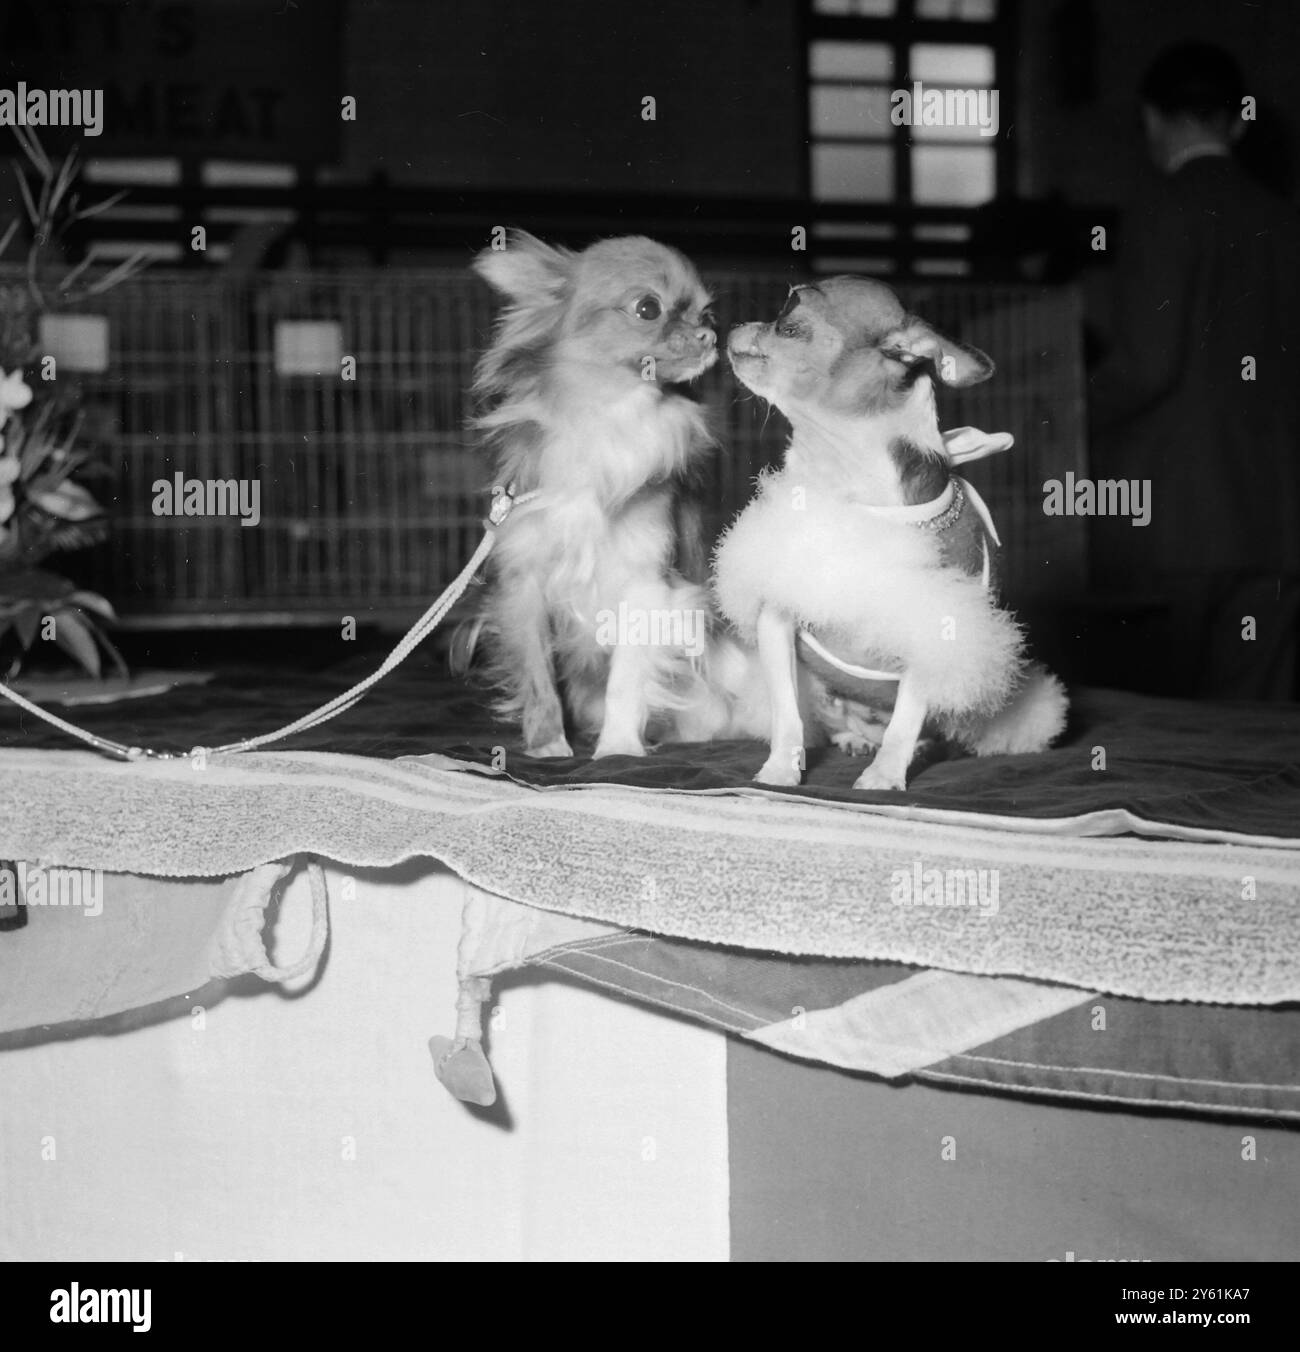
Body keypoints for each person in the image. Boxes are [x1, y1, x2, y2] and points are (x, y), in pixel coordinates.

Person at [1087, 43, 1300, 700]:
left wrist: (1063, 415)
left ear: (1152, 118)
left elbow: (1145, 368)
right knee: (1256, 728)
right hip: (1278, 520)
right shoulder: (1284, 219)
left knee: (1159, 717)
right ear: (1237, 121)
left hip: (1175, 520)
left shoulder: (1162, 209)